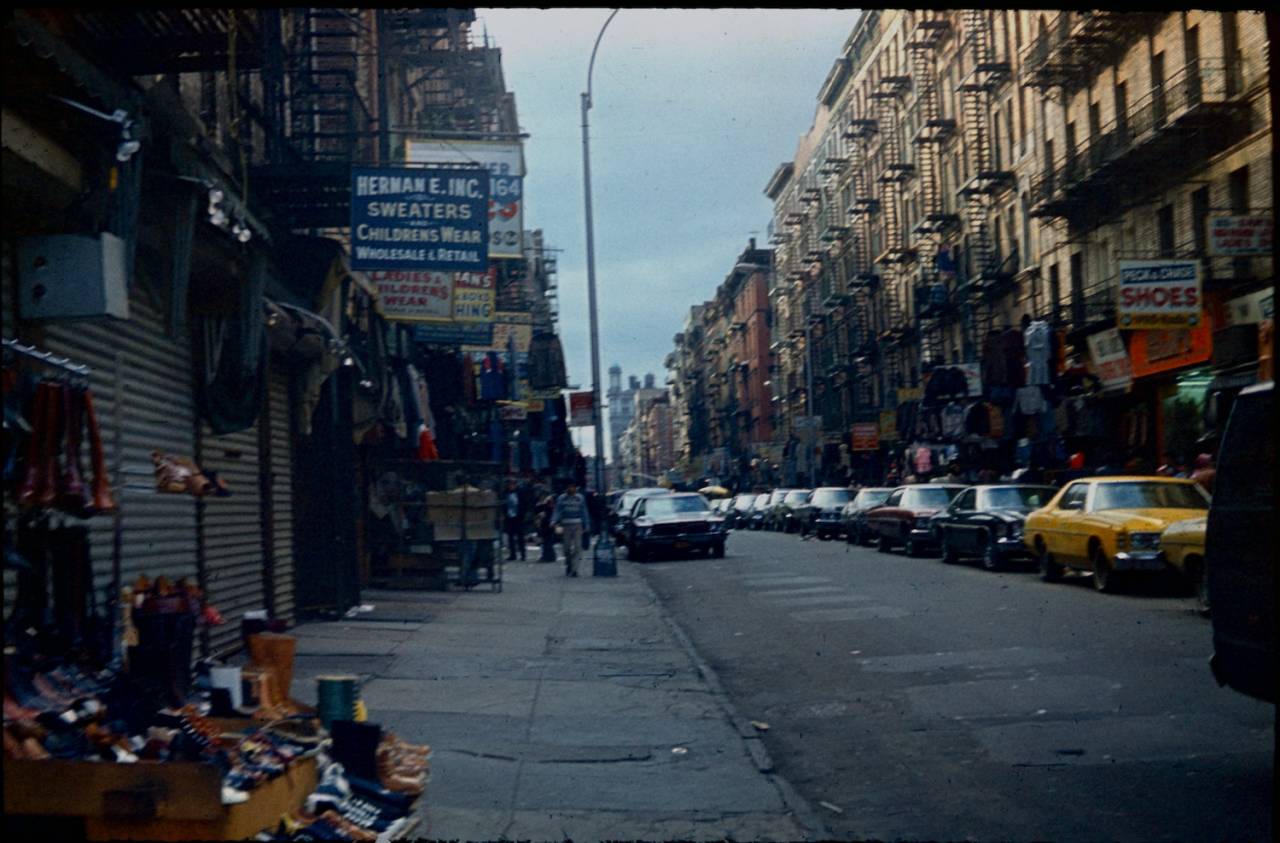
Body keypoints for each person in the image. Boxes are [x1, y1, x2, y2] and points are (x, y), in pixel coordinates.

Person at [551, 481, 592, 577]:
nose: (571, 489)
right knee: (566, 547)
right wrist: (553, 521)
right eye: (569, 487)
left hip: (577, 524)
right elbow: (558, 510)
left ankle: (575, 569)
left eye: (573, 487)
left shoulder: (580, 498)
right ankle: (569, 564)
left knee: (578, 547)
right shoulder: (561, 498)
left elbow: (584, 511)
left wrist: (587, 524)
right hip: (566, 524)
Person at [502, 478, 526, 561]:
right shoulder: (506, 493)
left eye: (513, 484)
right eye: (510, 485)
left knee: (520, 537)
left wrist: (522, 514)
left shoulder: (520, 493)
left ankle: (523, 555)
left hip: (518, 517)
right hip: (509, 517)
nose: (511, 486)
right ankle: (513, 555)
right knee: (510, 537)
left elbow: (523, 504)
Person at [535, 494, 557, 562]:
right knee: (546, 542)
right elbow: (537, 511)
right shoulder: (541, 504)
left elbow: (551, 512)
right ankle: (549, 556)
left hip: (548, 525)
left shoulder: (549, 502)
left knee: (548, 542)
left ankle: (548, 556)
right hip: (544, 525)